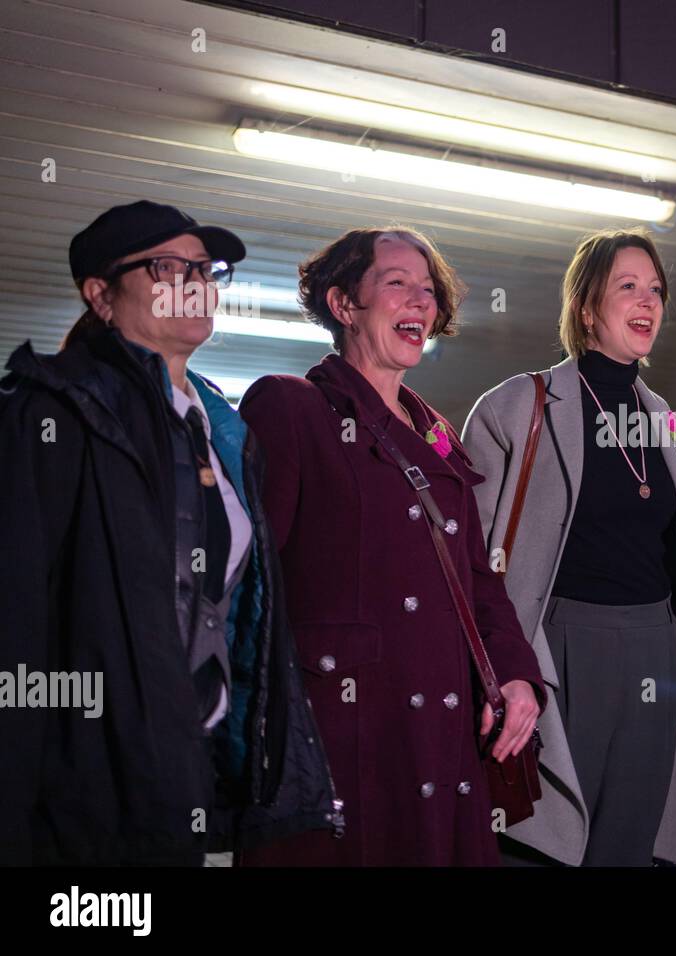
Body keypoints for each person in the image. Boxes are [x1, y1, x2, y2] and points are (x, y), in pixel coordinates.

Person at [0, 200, 338, 865]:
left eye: (203, 269)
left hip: (181, 771)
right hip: (82, 785)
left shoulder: (221, 432)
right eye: (164, 267)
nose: (194, 283)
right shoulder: (50, 413)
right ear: (99, 294)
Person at [237, 227, 544, 866]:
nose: (419, 302)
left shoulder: (438, 436)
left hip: (442, 735)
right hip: (345, 739)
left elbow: (479, 581)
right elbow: (250, 582)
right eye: (396, 283)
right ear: (343, 304)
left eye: (428, 290)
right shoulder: (293, 409)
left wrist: (517, 674)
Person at [462, 228, 676, 867]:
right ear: (586, 308)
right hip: (563, 643)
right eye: (627, 286)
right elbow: (473, 559)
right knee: (546, 840)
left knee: (629, 844)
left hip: (654, 646)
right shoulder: (520, 404)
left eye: (655, 289)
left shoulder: (659, 416)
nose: (647, 300)